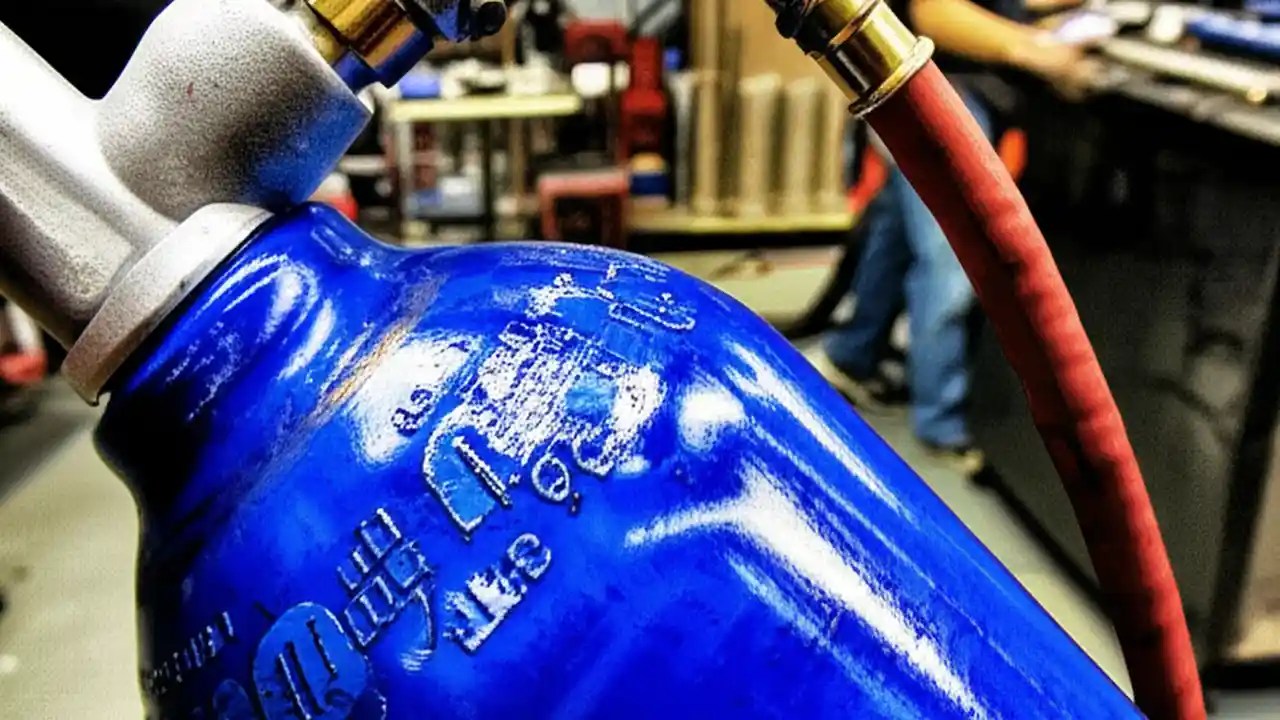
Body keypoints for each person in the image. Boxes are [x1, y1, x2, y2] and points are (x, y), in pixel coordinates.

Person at [807, 0, 1100, 473]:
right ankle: (942, 422)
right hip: (929, 87)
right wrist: (1031, 49)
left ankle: (851, 355)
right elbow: (933, 10)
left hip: (947, 84)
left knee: (898, 230)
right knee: (952, 255)